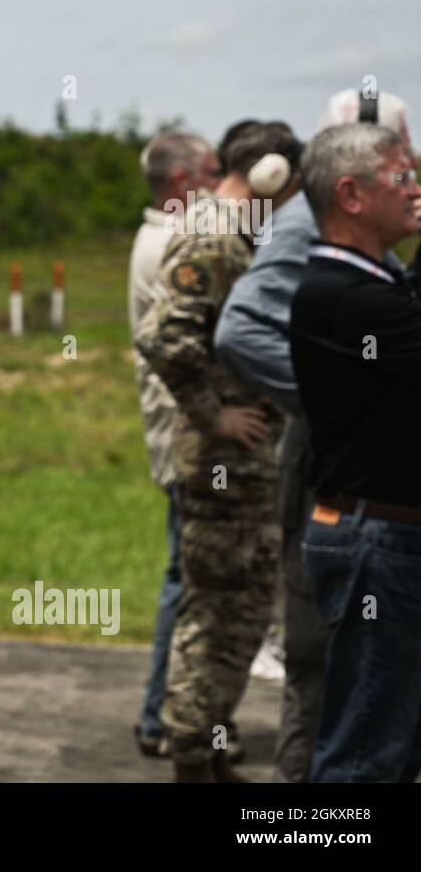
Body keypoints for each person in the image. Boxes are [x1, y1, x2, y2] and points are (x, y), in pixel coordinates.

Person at [214, 89, 416, 782]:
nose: (414, 174)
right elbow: (239, 330)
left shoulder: (353, 243)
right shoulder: (313, 229)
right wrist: (339, 399)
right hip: (346, 482)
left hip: (356, 479)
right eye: (403, 164)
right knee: (328, 677)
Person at [135, 121, 302, 781]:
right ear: (269, 176)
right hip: (223, 464)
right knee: (216, 613)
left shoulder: (233, 232)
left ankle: (201, 747)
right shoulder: (212, 235)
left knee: (242, 609)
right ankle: (189, 758)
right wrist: (216, 415)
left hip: (246, 465)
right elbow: (163, 336)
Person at [288, 123, 421, 781]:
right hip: (381, 541)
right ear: (352, 194)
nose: (417, 190)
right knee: (366, 756)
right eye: (404, 177)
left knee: (389, 745)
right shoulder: (343, 295)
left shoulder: (372, 286)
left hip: (384, 535)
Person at [128, 133, 221, 758]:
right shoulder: (175, 245)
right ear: (185, 180)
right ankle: (166, 715)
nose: (222, 188)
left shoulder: (158, 237)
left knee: (183, 573)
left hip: (175, 430)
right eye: (214, 174)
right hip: (187, 434)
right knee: (190, 577)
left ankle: (166, 713)